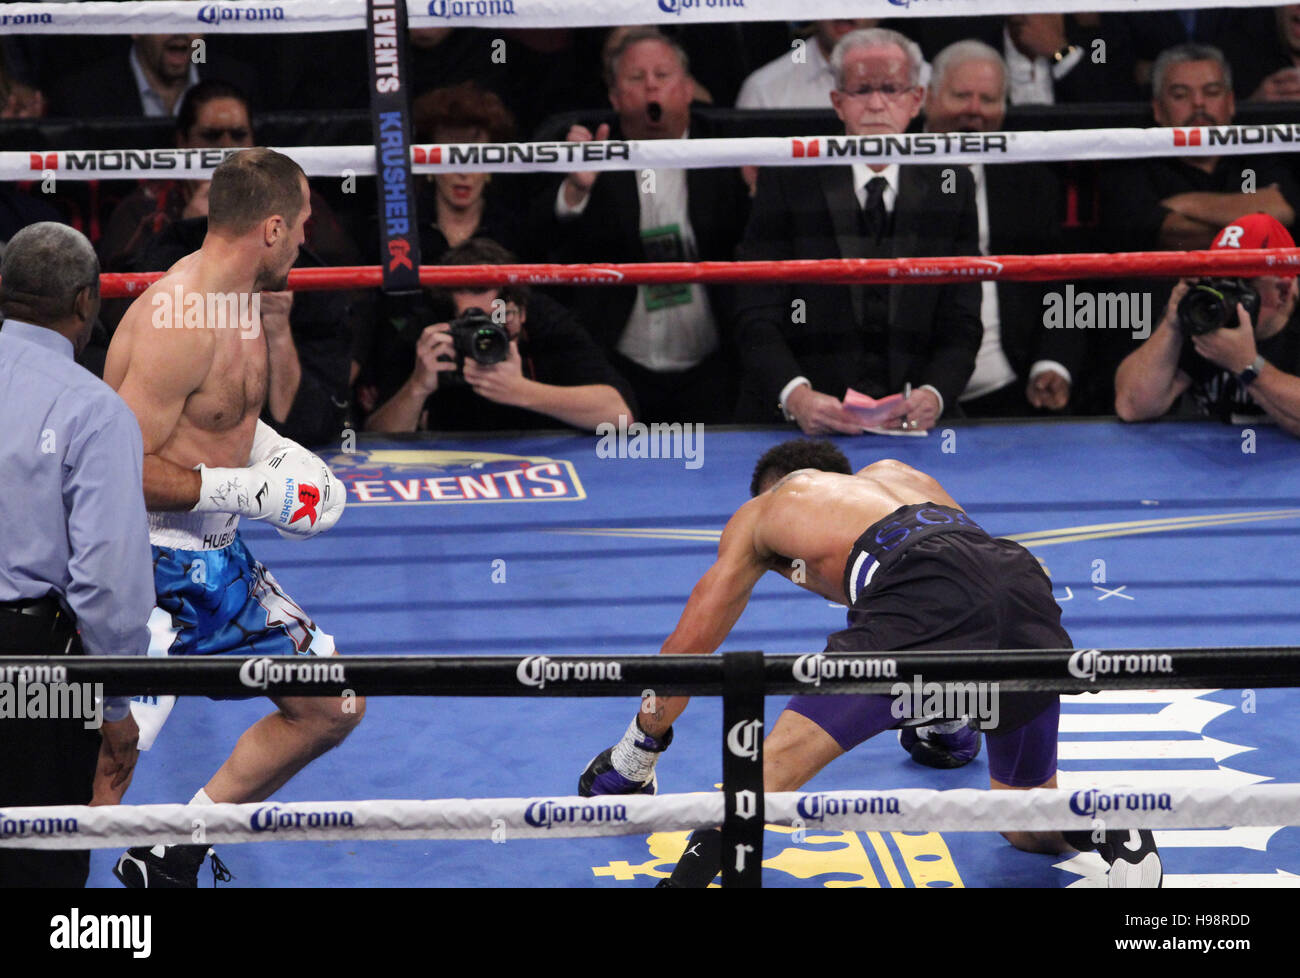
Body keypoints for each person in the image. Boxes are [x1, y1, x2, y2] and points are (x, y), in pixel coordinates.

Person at [578, 439, 1163, 888]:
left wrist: (634, 755)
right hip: (1022, 585)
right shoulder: (901, 478)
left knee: (761, 776)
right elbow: (974, 593)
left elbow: (686, 652)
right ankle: (1112, 827)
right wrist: (945, 716)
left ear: (775, 489)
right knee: (1027, 822)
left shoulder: (765, 512)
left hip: (921, 595)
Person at [103, 148, 361, 887]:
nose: (308, 238)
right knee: (102, 774)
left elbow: (219, 419)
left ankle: (172, 851)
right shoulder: (176, 321)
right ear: (273, 227)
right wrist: (245, 490)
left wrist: (277, 458)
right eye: (304, 223)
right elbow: (113, 472)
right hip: (144, 566)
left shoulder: (241, 295)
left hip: (215, 559)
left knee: (332, 704)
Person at [733, 28, 981, 434]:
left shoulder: (951, 184)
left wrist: (933, 395)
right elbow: (754, 311)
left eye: (891, 88)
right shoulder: (787, 179)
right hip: (804, 422)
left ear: (916, 100)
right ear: (838, 103)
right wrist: (797, 396)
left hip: (913, 424)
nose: (877, 104)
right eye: (862, 89)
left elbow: (962, 318)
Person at [0, 223, 152, 887]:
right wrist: (115, 712)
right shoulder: (95, 411)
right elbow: (108, 593)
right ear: (87, 302)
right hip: (35, 662)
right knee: (36, 866)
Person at [532, 27, 751, 424]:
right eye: (636, 78)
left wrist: (755, 194)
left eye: (662, 75)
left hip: (714, 361)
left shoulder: (726, 150)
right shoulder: (594, 151)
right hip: (617, 361)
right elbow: (543, 247)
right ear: (615, 97)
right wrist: (575, 191)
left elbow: (755, 242)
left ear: (687, 88)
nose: (651, 86)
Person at [923, 41, 1084, 416]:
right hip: (905, 389)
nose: (974, 111)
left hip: (1008, 388)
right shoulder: (891, 168)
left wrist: (1052, 363)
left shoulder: (1030, 182)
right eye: (961, 96)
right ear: (927, 97)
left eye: (989, 99)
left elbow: (1062, 281)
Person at [364, 239, 635, 433]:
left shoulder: (544, 322)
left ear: (522, 311)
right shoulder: (431, 333)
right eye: (472, 320)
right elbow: (377, 437)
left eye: (498, 317)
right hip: (454, 470)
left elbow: (620, 415)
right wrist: (417, 387)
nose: (486, 331)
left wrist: (521, 391)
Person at [1101, 44, 1299, 254]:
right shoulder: (1132, 162)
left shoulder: (1257, 151)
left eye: (1211, 92)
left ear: (1231, 103)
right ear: (1158, 109)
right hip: (1168, 284)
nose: (1198, 104)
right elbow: (1170, 233)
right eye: (1180, 95)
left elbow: (1283, 208)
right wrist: (1253, 223)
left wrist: (1184, 204)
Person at [1115, 213, 1300, 436]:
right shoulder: (1208, 313)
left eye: (1241, 285)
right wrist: (1172, 323)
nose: (1226, 295)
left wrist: (1248, 366)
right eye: (1219, 279)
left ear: (1283, 292)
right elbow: (1132, 407)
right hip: (1209, 462)